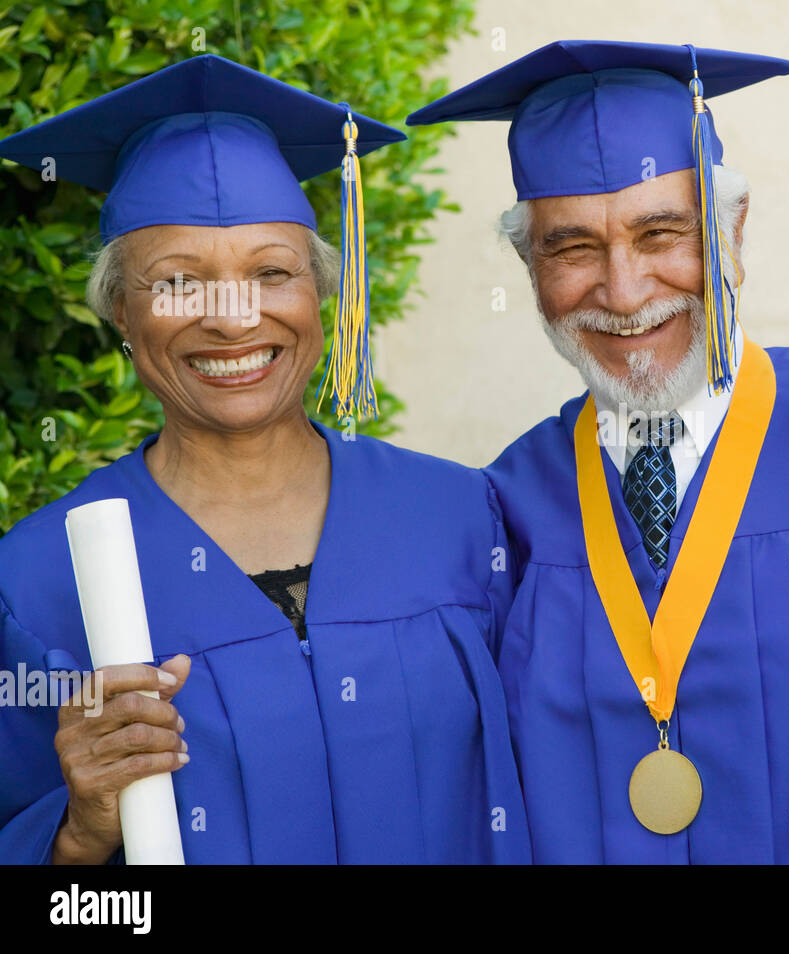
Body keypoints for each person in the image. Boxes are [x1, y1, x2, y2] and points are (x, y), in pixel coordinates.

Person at [407, 40, 789, 863]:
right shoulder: (507, 506)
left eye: (660, 234)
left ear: (732, 230)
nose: (622, 291)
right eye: (572, 247)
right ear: (528, 264)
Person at [0, 55, 529, 864]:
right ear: (119, 313)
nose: (232, 319)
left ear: (320, 294)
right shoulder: (36, 582)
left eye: (271, 273)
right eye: (178, 282)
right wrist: (75, 838)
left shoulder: (464, 520)